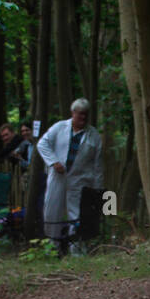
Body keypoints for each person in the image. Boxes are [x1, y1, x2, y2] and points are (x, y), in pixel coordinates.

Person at [37, 98, 103, 255]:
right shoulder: (59, 127)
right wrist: (53, 162)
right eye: (80, 114)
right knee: (52, 211)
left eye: (86, 114)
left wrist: (98, 188)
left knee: (78, 215)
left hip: (81, 180)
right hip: (58, 177)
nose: (83, 118)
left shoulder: (93, 135)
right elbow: (42, 144)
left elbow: (98, 165)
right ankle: (53, 249)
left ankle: (78, 251)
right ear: (73, 113)